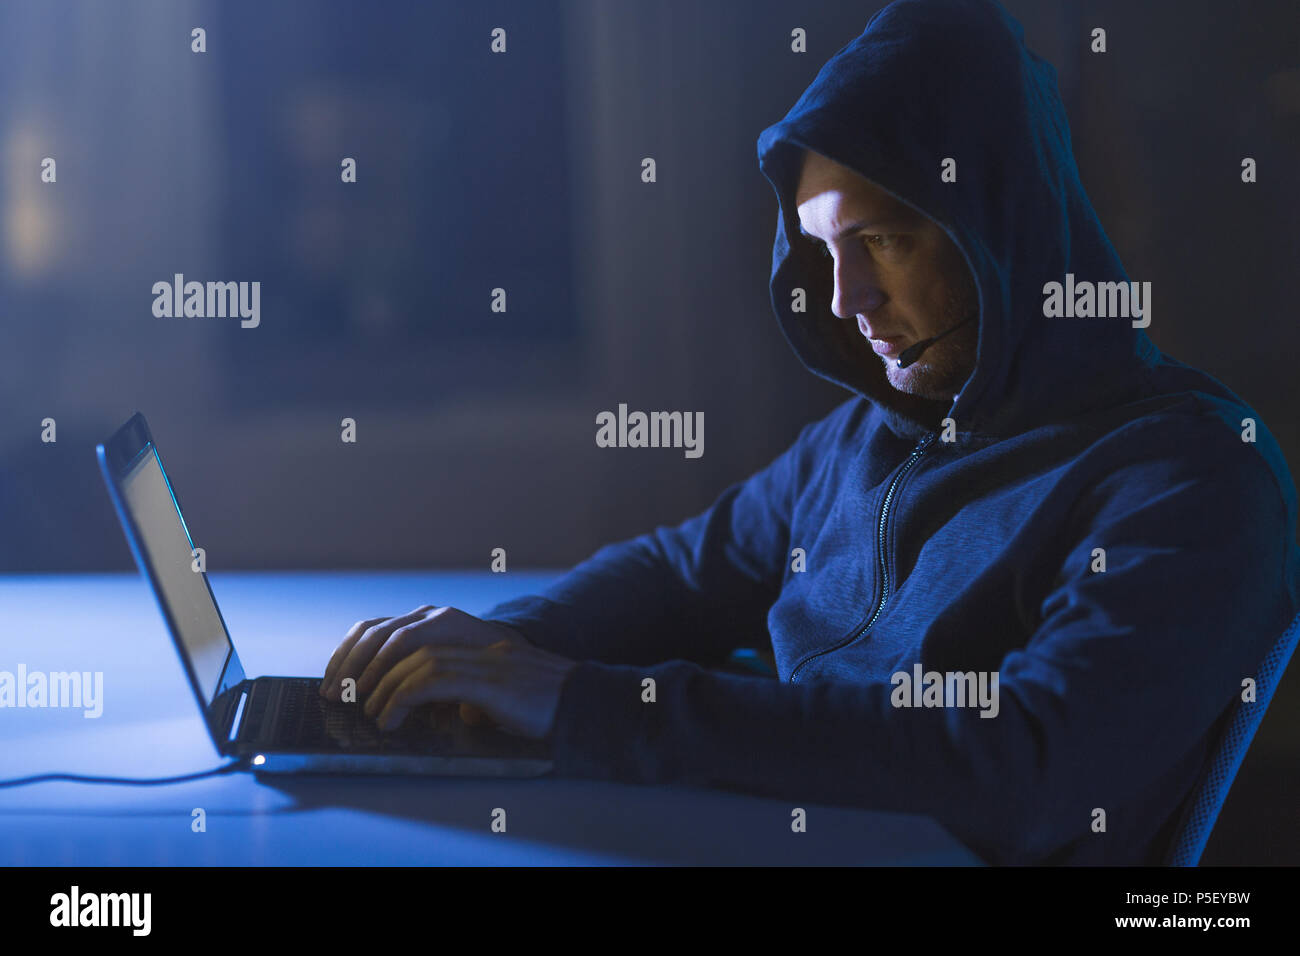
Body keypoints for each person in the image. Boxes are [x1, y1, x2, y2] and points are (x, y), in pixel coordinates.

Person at [320, 0, 1299, 864]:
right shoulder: (865, 435)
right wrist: (497, 650)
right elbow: (680, 572)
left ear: (1006, 226)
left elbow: (1025, 764)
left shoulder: (1191, 475)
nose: (847, 298)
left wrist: (586, 706)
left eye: (881, 240)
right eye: (823, 247)